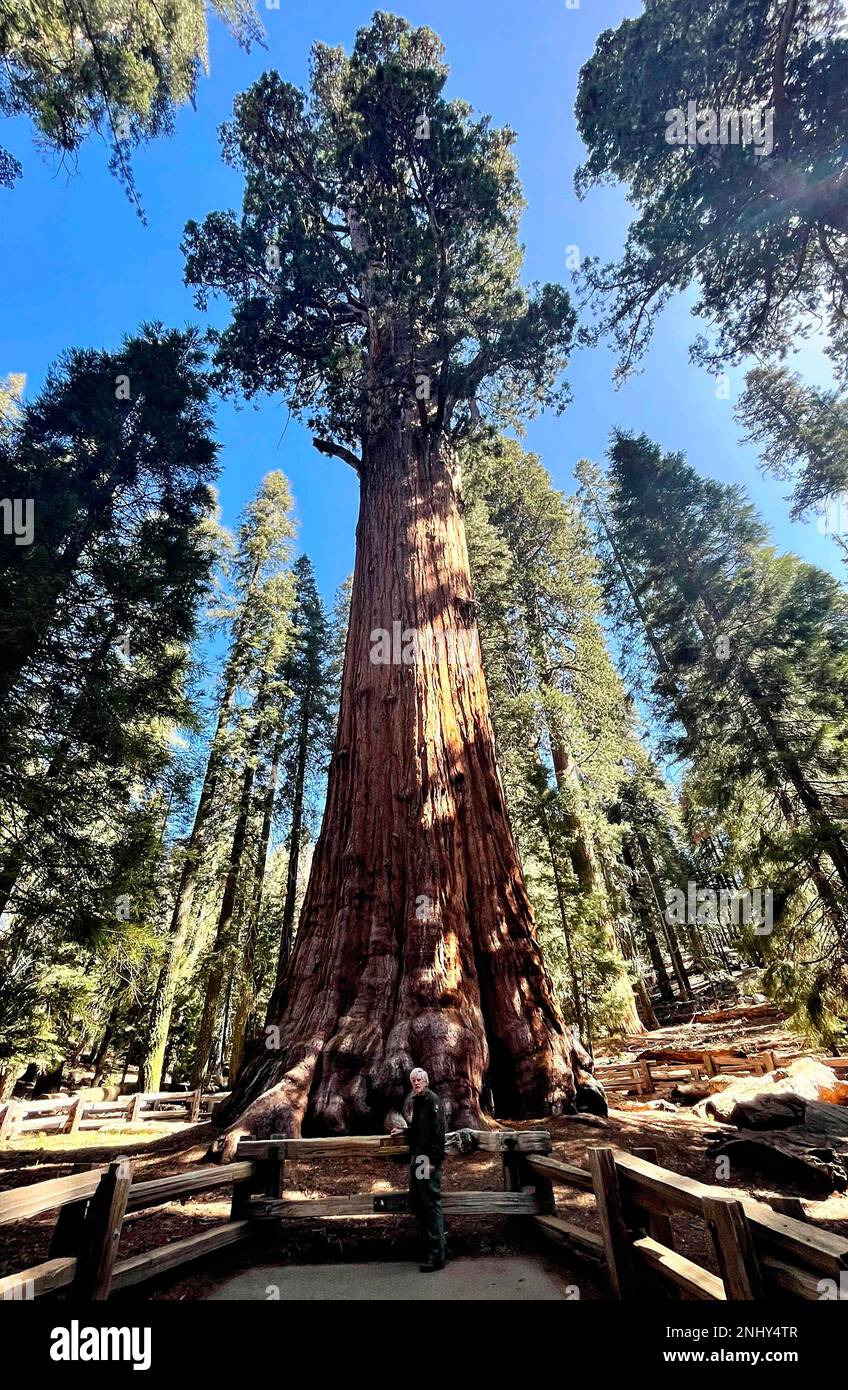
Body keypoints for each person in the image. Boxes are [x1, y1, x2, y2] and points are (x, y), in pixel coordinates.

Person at [392, 1067, 446, 1272]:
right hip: (418, 1159)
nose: (416, 1082)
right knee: (418, 1200)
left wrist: (434, 1161)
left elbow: (439, 1132)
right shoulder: (418, 1102)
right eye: (413, 1080)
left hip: (426, 1160)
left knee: (430, 1203)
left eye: (419, 1079)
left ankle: (437, 1256)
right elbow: (419, 1130)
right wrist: (404, 1131)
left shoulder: (433, 1101)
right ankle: (435, 1248)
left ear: (426, 1081)